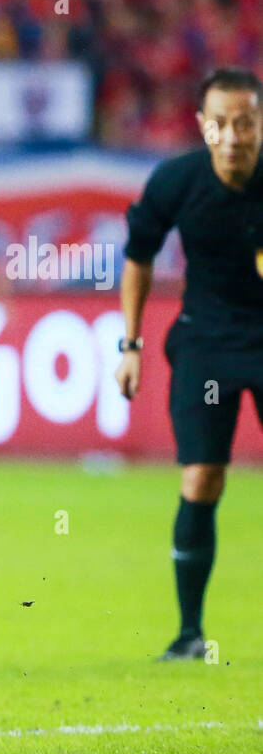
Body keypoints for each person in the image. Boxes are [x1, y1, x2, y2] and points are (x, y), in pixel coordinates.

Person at [115, 67, 263, 661]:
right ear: (204, 128)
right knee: (202, 476)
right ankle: (189, 634)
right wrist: (131, 346)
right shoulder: (177, 180)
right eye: (221, 124)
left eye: (245, 123)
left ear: (258, 125)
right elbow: (138, 256)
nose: (233, 136)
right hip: (205, 344)